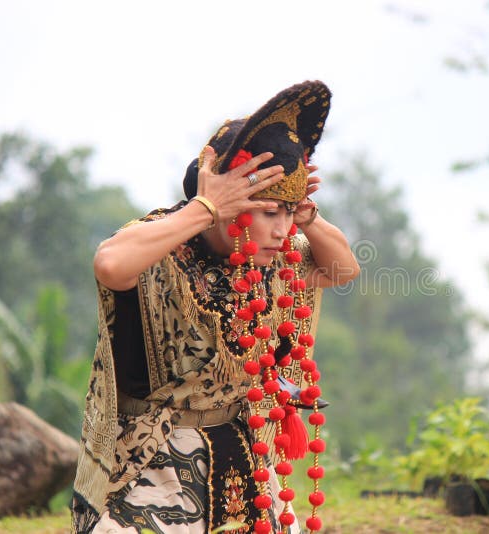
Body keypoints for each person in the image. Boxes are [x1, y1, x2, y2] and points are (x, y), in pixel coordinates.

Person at [71, 80, 360, 534]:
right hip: (152, 461)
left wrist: (310, 217)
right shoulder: (165, 241)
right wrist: (207, 207)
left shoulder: (276, 259)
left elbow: (342, 268)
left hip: (243, 454)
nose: (281, 230)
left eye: (289, 213)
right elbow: (110, 263)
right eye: (268, 212)